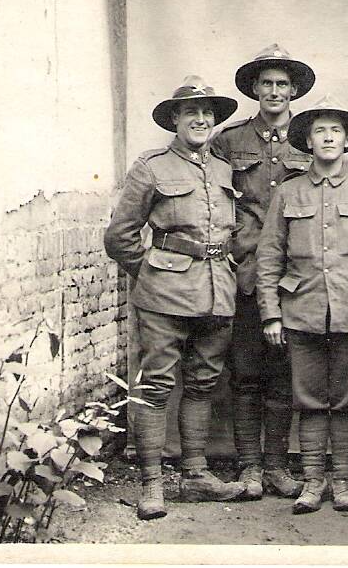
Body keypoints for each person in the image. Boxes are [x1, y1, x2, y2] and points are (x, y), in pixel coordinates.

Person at [104, 76, 246, 520]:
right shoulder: (151, 166)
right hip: (164, 296)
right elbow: (120, 235)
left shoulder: (223, 169)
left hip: (217, 290)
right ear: (175, 120)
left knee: (204, 382)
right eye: (191, 114)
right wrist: (151, 274)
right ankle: (151, 484)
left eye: (208, 114)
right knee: (157, 384)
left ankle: (195, 476)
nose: (201, 120)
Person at [255, 94, 348, 514]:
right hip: (300, 310)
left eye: (336, 130)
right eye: (320, 130)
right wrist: (270, 313)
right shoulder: (289, 191)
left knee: (347, 399)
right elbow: (270, 256)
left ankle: (343, 481)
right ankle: (313, 481)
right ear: (308, 141)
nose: (328, 137)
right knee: (309, 399)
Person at [210, 43, 316, 500]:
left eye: (282, 85)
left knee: (283, 373)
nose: (274, 91)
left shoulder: (310, 140)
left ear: (294, 92)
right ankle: (249, 468)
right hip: (246, 273)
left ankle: (276, 466)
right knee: (246, 372)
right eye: (267, 84)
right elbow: (211, 200)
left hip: (296, 275)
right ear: (255, 89)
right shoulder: (228, 142)